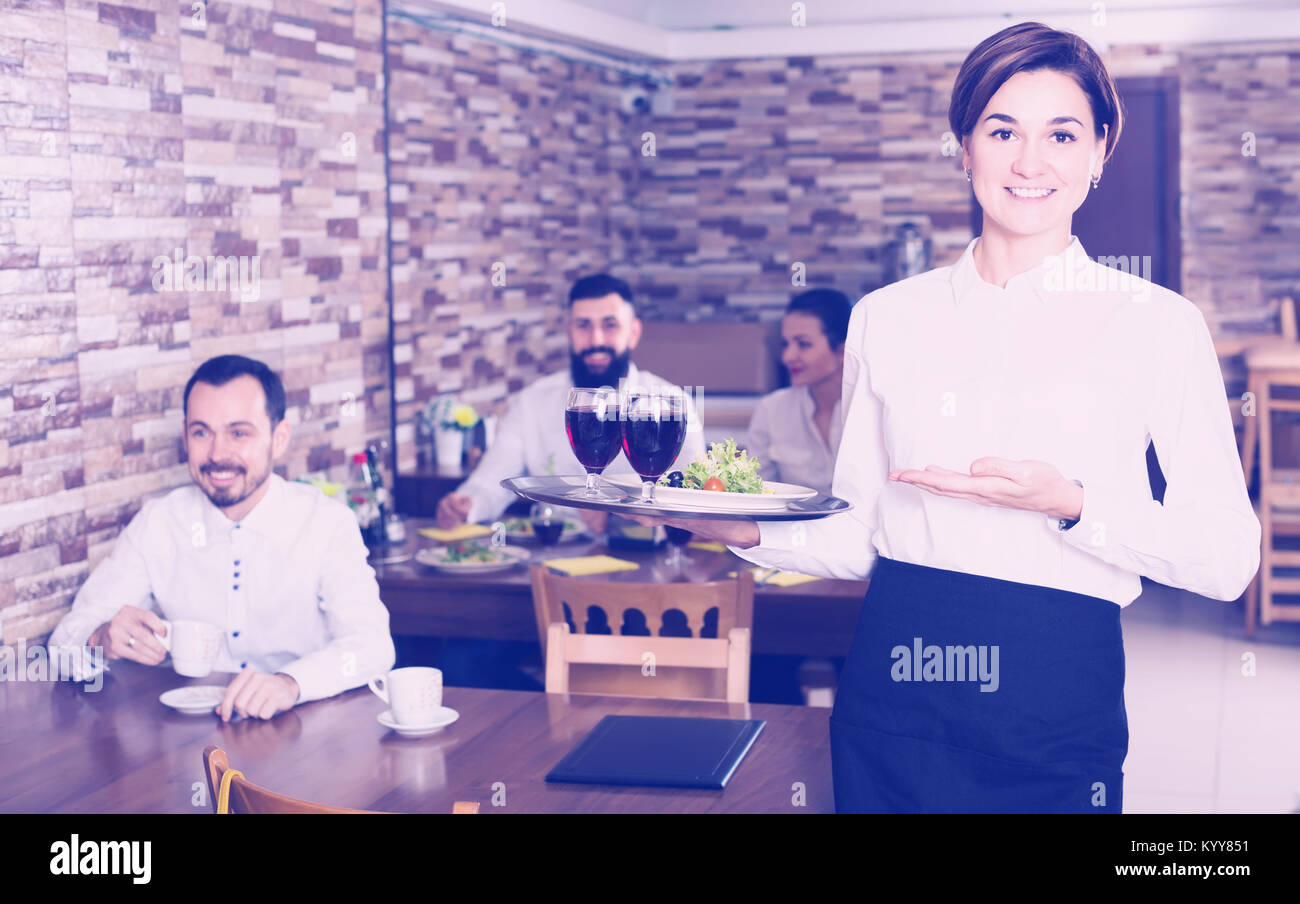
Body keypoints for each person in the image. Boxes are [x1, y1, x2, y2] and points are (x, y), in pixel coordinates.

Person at [636, 22, 1261, 813]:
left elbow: (1225, 557)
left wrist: (1073, 504)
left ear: (1100, 150)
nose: (1030, 162)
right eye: (1002, 130)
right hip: (893, 689)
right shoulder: (886, 317)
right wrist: (745, 530)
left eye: (1061, 134)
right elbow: (862, 529)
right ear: (963, 146)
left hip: (1055, 699)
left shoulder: (1158, 325)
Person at [48, 355, 396, 721]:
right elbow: (62, 642)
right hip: (191, 746)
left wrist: (290, 683)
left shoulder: (326, 522)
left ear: (278, 439)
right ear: (185, 436)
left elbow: (372, 646)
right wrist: (98, 640)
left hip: (306, 735)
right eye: (202, 432)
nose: (217, 454)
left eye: (239, 433)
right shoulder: (159, 524)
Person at [436, 273, 706, 531]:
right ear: (569, 331)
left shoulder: (672, 405)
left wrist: (617, 519)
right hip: (552, 560)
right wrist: (465, 505)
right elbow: (492, 481)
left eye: (610, 325)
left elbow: (694, 500)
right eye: (583, 325)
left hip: (647, 564)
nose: (596, 340)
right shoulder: (532, 401)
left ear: (633, 333)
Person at [745, 289, 853, 496]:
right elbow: (756, 495)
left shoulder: (871, 409)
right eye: (786, 344)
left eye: (803, 344)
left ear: (842, 350)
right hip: (791, 528)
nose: (788, 356)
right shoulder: (771, 410)